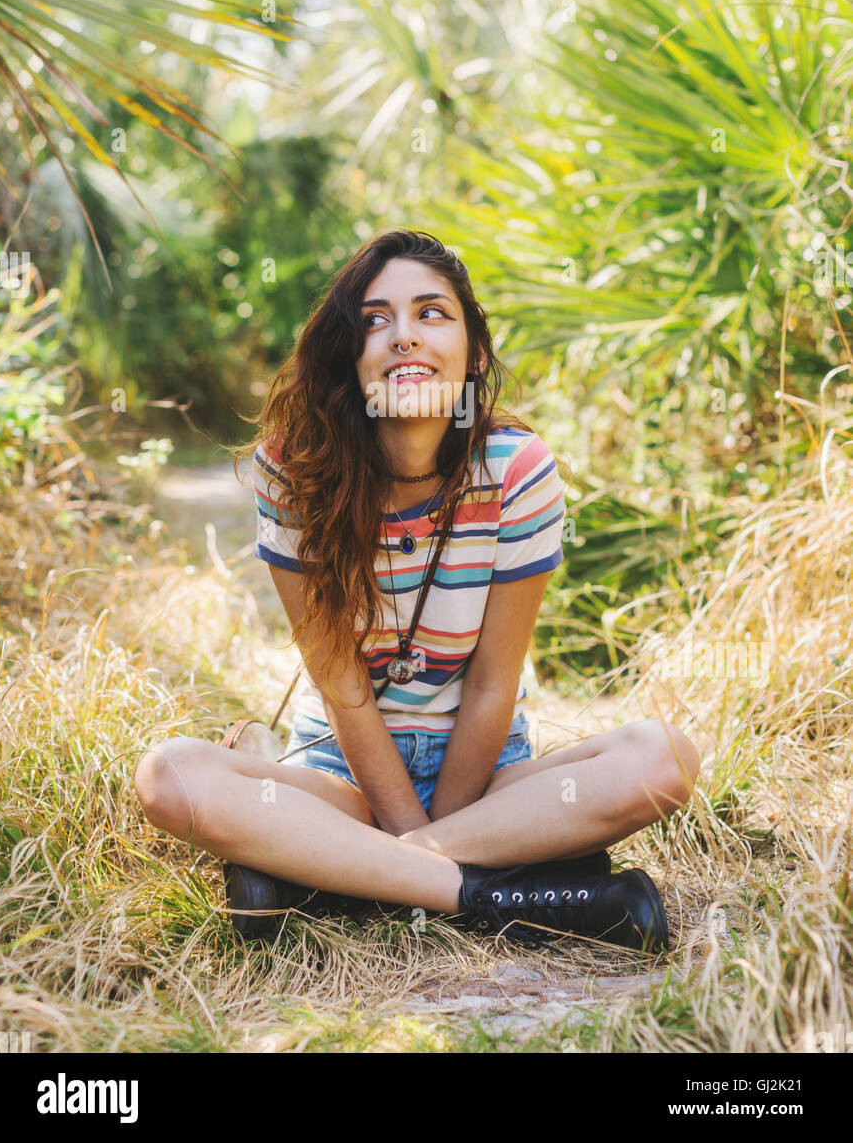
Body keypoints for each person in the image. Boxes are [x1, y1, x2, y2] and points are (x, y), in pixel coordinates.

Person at [134, 229, 700, 951]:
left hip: (491, 777)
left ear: (475, 354)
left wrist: (416, 840)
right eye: (375, 319)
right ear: (351, 356)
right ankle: (496, 891)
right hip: (343, 777)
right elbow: (341, 687)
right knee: (172, 777)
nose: (404, 336)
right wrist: (407, 825)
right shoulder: (296, 470)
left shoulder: (515, 469)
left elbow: (495, 687)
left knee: (665, 759)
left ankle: (338, 876)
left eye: (432, 313)